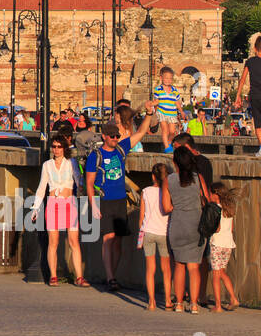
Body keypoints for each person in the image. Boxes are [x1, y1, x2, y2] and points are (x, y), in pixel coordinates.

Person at [85, 102, 155, 289]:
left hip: (119, 200)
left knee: (118, 241)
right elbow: (89, 183)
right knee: (108, 238)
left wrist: (149, 114)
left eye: (117, 136)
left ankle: (113, 274)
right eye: (112, 136)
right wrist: (93, 205)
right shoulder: (95, 156)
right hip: (105, 201)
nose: (116, 138)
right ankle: (110, 277)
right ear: (104, 137)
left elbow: (139, 133)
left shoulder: (122, 148)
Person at [30, 134, 89, 287]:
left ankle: (79, 277)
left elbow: (79, 182)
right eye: (54, 147)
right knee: (53, 241)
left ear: (64, 148)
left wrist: (86, 191)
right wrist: (36, 208)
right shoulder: (47, 165)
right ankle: (53, 275)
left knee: (73, 241)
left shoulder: (71, 163)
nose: (56, 150)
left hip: (69, 203)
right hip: (53, 203)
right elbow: (42, 187)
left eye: (59, 147)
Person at [161, 147, 213, 313]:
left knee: (179, 265)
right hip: (196, 226)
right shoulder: (198, 178)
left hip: (177, 225)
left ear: (175, 162)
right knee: (193, 266)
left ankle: (178, 304)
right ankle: (195, 304)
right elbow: (208, 201)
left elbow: (167, 207)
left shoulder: (169, 180)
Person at [139, 162, 175, 310]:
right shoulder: (169, 191)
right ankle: (167, 300)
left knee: (150, 269)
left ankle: (151, 302)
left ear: (153, 176)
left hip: (148, 231)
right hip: (163, 232)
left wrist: (139, 236)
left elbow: (141, 216)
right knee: (166, 269)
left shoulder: (146, 191)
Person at [208, 181, 241, 311]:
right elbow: (231, 227)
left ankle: (217, 305)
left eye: (211, 193)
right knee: (222, 272)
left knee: (215, 275)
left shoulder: (215, 208)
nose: (209, 196)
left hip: (217, 243)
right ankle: (233, 298)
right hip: (228, 243)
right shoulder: (229, 209)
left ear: (216, 194)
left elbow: (217, 228)